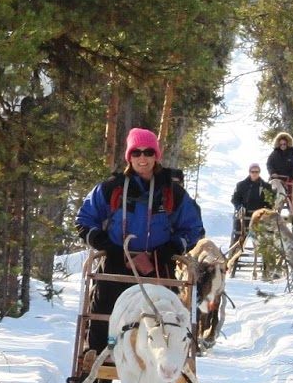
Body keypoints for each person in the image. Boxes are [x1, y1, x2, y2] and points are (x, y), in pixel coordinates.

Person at [75, 128, 205, 358]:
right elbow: (84, 220)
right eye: (136, 153)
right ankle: (95, 379)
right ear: (129, 156)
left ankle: (170, 382)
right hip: (115, 265)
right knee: (103, 320)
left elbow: (194, 228)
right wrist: (110, 248)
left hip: (159, 267)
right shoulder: (111, 188)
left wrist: (168, 250)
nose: (142, 158)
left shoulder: (172, 192)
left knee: (169, 324)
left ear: (156, 155)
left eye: (147, 152)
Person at [229, 164, 273, 242]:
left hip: (260, 216)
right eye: (252, 171)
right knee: (239, 235)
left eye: (257, 171)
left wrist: (266, 210)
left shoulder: (266, 186)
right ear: (249, 172)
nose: (254, 173)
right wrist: (239, 207)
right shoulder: (241, 185)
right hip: (245, 215)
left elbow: (270, 202)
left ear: (259, 172)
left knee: (265, 236)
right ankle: (235, 250)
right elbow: (235, 199)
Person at [265, 132, 293, 217]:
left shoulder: (292, 154)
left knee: (290, 197)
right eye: (281, 144)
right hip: (276, 179)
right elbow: (269, 164)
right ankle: (272, 213)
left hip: (288, 179)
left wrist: (292, 175)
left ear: (288, 143)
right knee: (273, 194)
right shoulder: (274, 154)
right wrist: (272, 173)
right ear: (278, 144)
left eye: (284, 144)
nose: (283, 146)